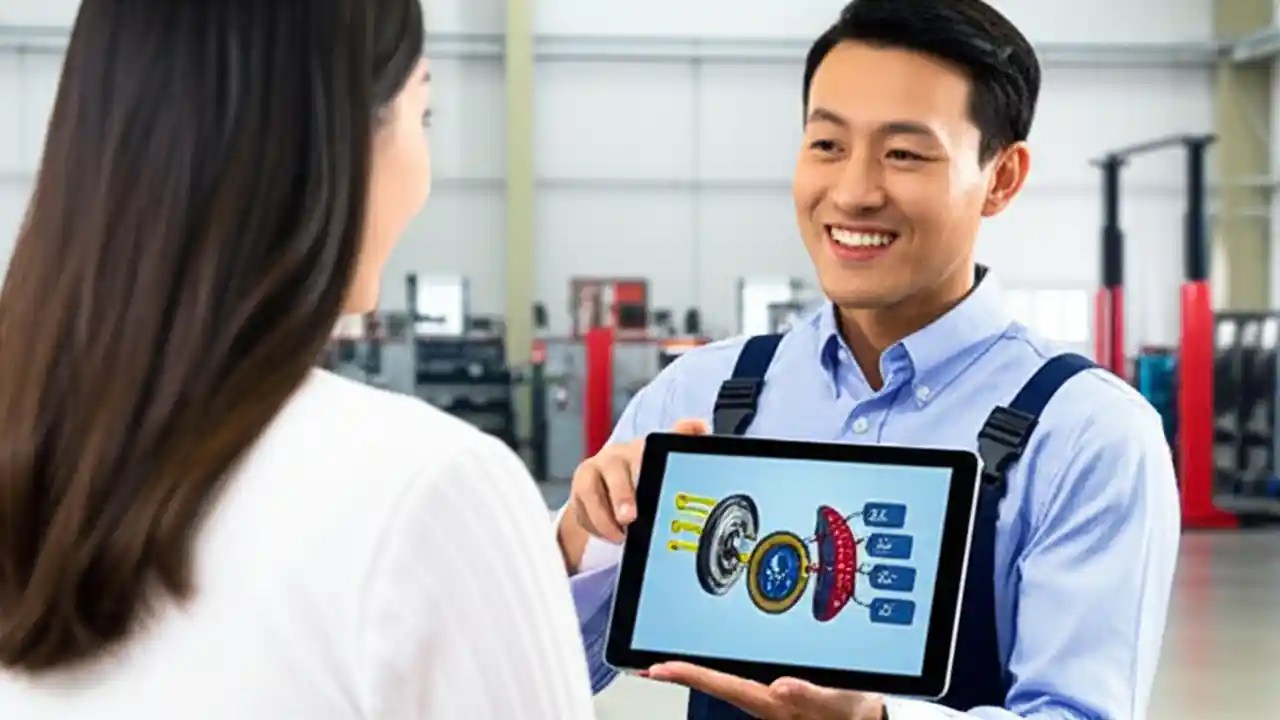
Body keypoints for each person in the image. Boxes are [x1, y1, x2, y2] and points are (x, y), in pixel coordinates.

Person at [556, 1, 1180, 718]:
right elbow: (543, 675)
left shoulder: (1086, 436)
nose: (852, 192)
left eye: (904, 154)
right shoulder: (699, 394)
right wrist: (583, 535)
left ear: (1002, 178)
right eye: (826, 145)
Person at [0, 2, 594, 718]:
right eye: (423, 113)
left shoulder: (33, 460)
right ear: (332, 141)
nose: (425, 171)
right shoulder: (430, 489)